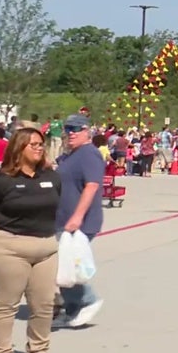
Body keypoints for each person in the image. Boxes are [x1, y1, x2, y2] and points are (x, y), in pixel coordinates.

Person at [0, 126, 61, 353]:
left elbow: (56, 206)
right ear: (18, 148)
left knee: (44, 304)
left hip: (45, 247)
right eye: (32, 144)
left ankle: (38, 351)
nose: (39, 148)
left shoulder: (51, 177)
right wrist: (8, 228)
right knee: (6, 304)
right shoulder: (1, 181)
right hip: (8, 248)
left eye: (41, 144)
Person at [54, 114, 106, 328]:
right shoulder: (70, 155)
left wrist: (77, 216)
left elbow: (92, 186)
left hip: (79, 222)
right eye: (68, 128)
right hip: (61, 218)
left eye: (76, 128)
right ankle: (72, 308)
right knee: (62, 267)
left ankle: (87, 300)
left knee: (65, 266)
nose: (71, 132)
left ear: (88, 131)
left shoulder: (89, 154)